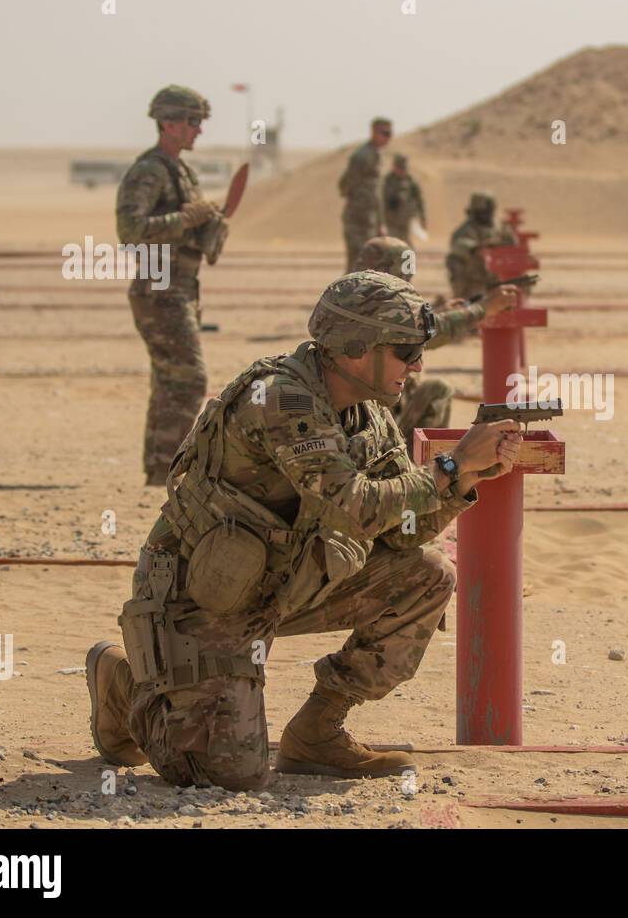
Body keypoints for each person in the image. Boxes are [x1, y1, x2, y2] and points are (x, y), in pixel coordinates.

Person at [85, 271, 522, 787]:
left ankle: (319, 729)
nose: (417, 365)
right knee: (227, 775)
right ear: (356, 347)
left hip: (286, 582)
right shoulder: (281, 400)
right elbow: (353, 505)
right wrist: (447, 468)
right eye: (405, 350)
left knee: (425, 576)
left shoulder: (368, 416)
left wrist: (461, 480)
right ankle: (125, 681)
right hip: (209, 598)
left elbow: (400, 533)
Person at [117, 85, 227, 485]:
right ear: (168, 123)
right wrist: (185, 220)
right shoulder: (150, 170)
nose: (199, 130)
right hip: (159, 289)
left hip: (179, 287)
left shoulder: (180, 170)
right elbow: (130, 230)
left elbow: (189, 233)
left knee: (169, 381)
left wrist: (209, 225)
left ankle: (159, 470)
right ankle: (170, 470)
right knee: (189, 379)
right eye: (193, 122)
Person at [353, 236, 518, 448]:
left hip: (368, 410)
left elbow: (409, 330)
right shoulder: (378, 303)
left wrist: (439, 313)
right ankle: (417, 469)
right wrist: (483, 309)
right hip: (370, 420)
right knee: (438, 391)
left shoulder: (355, 295)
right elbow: (428, 332)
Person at [338, 117, 392, 269]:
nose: (388, 138)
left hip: (370, 219)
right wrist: (358, 202)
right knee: (357, 262)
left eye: (390, 133)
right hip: (358, 219)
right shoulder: (362, 156)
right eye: (384, 133)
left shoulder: (376, 155)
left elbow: (377, 194)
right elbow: (345, 184)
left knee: (369, 263)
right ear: (374, 133)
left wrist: (381, 222)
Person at [445, 191, 517, 300]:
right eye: (485, 212)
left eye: (490, 211)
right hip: (472, 283)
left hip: (495, 280)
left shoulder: (497, 228)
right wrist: (480, 247)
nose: (488, 215)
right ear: (476, 212)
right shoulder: (465, 230)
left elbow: (512, 245)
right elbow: (459, 246)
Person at [381, 154, 426, 243]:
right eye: (399, 168)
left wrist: (423, 219)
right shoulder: (386, 181)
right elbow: (380, 202)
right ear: (394, 167)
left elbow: (420, 202)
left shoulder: (411, 181)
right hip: (391, 222)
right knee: (392, 246)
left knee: (406, 248)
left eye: (403, 169)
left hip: (406, 222)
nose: (401, 171)